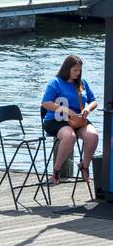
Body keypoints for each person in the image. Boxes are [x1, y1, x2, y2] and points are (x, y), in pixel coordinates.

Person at [40, 54, 99, 183]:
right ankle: (56, 172)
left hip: (78, 120)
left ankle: (84, 165)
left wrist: (87, 109)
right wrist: (66, 110)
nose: (78, 73)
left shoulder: (82, 83)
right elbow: (46, 103)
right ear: (67, 69)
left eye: (79, 70)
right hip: (56, 120)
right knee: (69, 136)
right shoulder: (55, 82)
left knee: (93, 136)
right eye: (75, 70)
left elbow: (94, 101)